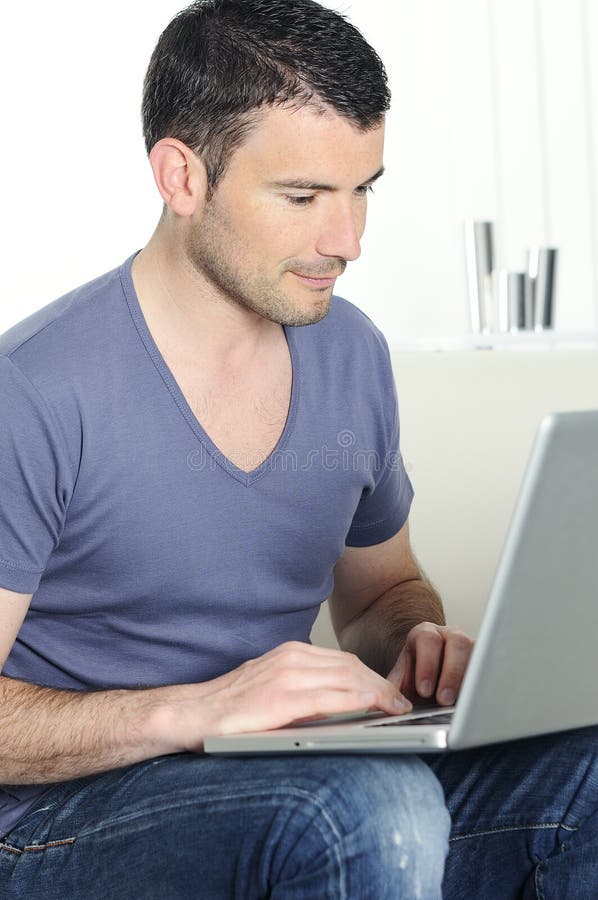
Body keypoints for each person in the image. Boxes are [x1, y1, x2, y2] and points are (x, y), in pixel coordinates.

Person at [0, 1, 596, 896]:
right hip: (64, 823)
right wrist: (202, 711)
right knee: (365, 808)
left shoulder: (350, 352)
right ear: (181, 176)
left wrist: (416, 642)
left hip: (307, 788)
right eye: (304, 196)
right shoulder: (36, 390)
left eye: (363, 189)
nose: (348, 241)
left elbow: (381, 593)